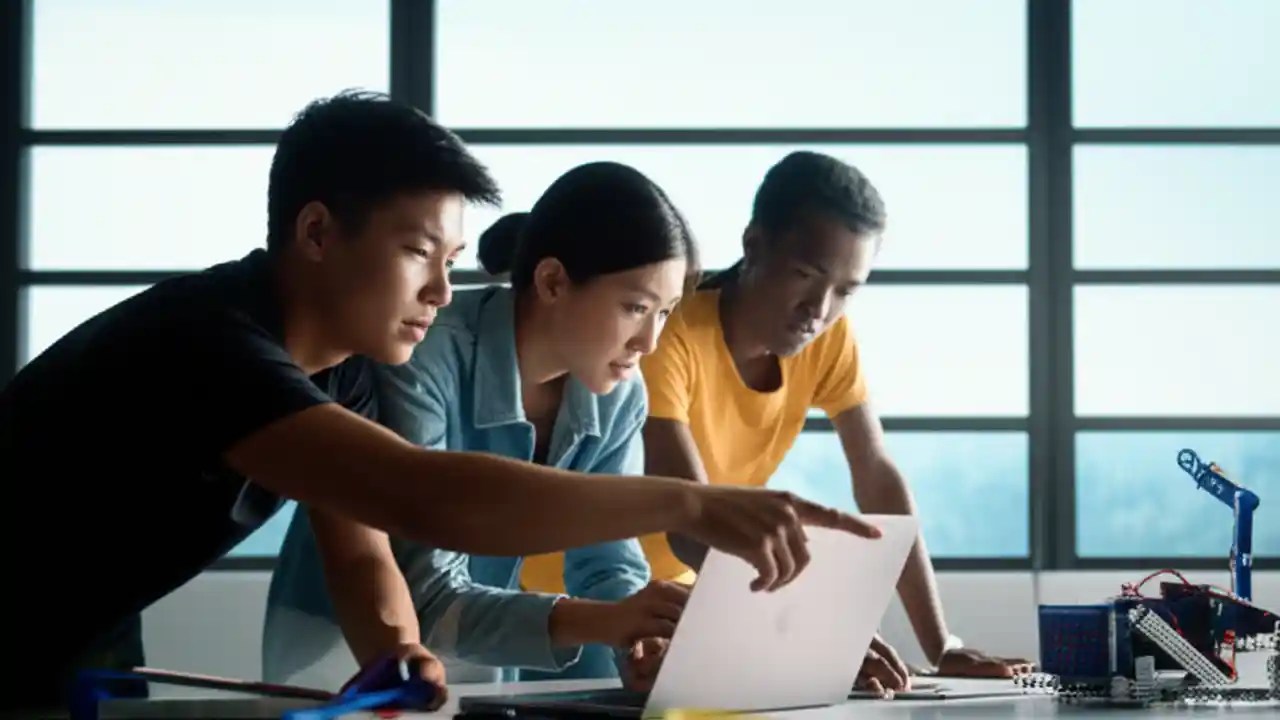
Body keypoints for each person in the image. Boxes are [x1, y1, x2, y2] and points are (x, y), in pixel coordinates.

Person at [0, 95, 881, 711]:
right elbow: (420, 493)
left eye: (453, 261)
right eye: (420, 252)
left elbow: (358, 549)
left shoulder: (340, 371)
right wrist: (690, 501)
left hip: (80, 636)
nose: (442, 290)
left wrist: (395, 652)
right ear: (315, 233)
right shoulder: (211, 345)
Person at [519, 151, 1034, 696]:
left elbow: (877, 475)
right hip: (582, 592)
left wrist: (941, 645)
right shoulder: (669, 336)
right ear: (753, 244)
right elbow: (692, 518)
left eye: (846, 290)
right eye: (805, 276)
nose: (820, 308)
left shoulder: (828, 339)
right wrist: (814, 629)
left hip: (692, 597)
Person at [263, 161, 698, 691]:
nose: (649, 341)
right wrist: (609, 621)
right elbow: (428, 590)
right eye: (636, 307)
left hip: (481, 647)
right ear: (553, 281)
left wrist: (641, 635)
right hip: (345, 645)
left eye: (666, 312)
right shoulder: (423, 353)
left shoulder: (619, 394)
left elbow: (608, 563)